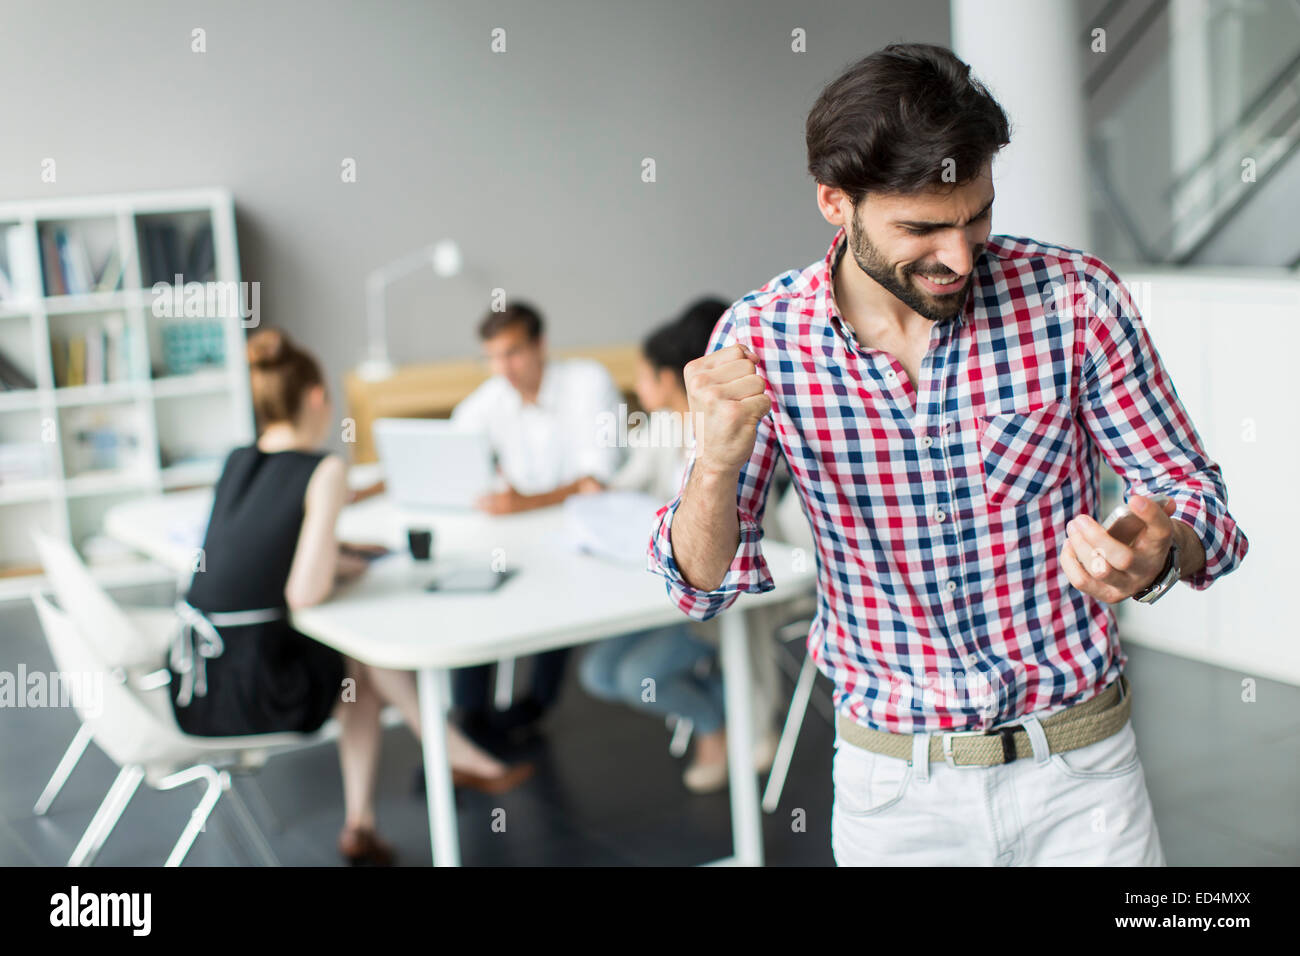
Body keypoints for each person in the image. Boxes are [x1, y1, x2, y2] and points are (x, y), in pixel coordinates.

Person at [648, 43, 1250, 865]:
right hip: (894, 796)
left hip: (1082, 778)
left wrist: (1161, 548)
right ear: (836, 202)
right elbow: (701, 582)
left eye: (976, 217)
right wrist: (714, 464)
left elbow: (1195, 498)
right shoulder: (763, 341)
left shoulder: (1073, 299)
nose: (960, 257)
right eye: (922, 228)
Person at [169, 328, 532, 866]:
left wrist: (333, 556)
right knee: (361, 661)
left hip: (195, 678)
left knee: (354, 670)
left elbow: (259, 556)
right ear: (317, 397)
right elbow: (304, 591)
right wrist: (350, 569)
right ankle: (450, 753)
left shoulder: (237, 460)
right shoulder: (325, 469)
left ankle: (365, 820)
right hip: (252, 692)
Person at [577, 298, 776, 793]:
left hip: (722, 597)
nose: (639, 389)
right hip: (662, 588)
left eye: (644, 376)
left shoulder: (742, 431)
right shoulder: (664, 427)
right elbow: (625, 483)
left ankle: (719, 726)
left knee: (634, 676)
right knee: (599, 672)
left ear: (672, 377)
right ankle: (723, 714)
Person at [449, 302, 623, 743]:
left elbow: (594, 483)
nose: (502, 368)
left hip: (586, 532)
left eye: (513, 353)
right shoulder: (492, 398)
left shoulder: (588, 384)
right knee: (471, 585)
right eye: (493, 356)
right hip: (518, 533)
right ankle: (468, 721)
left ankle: (534, 704)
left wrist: (524, 503)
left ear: (541, 345)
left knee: (550, 583)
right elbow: (450, 446)